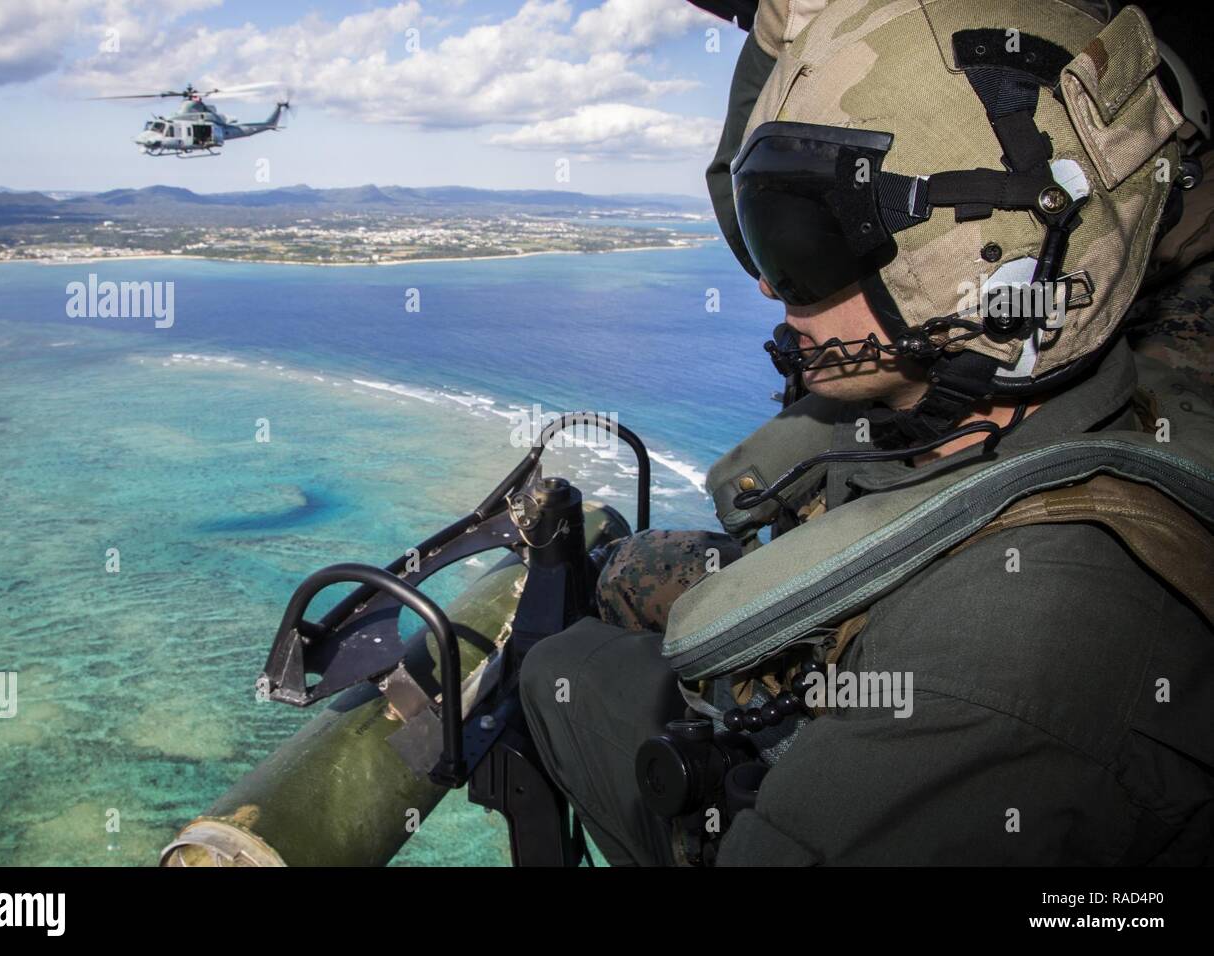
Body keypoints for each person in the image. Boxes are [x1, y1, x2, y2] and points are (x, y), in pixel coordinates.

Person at [519, 0, 1214, 866]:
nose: (772, 290)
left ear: (984, 258)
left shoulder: (999, 668)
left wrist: (560, 673)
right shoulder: (986, 427)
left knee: (559, 670)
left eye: (800, 240)